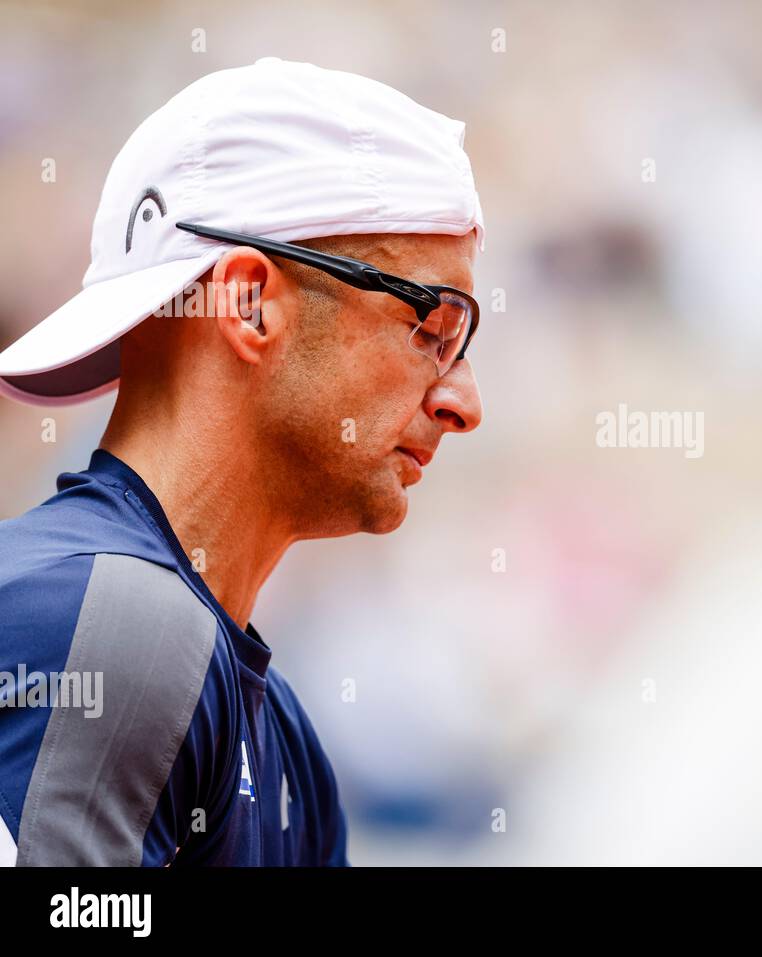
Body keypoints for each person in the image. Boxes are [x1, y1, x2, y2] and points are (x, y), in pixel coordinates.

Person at [0, 57, 486, 865]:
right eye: (432, 327)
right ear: (249, 303)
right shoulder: (120, 629)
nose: (464, 402)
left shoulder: (283, 740)